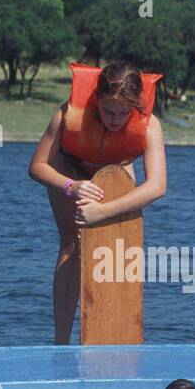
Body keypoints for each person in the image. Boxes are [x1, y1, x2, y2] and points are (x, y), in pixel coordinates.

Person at [28, 62, 167, 345]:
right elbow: (37, 167)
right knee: (73, 243)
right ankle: (61, 341)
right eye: (108, 111)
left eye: (124, 113)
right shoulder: (67, 114)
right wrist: (72, 186)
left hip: (115, 169)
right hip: (68, 169)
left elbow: (157, 187)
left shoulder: (150, 124)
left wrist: (101, 212)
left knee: (116, 249)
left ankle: (113, 334)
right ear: (96, 101)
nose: (115, 119)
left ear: (136, 106)